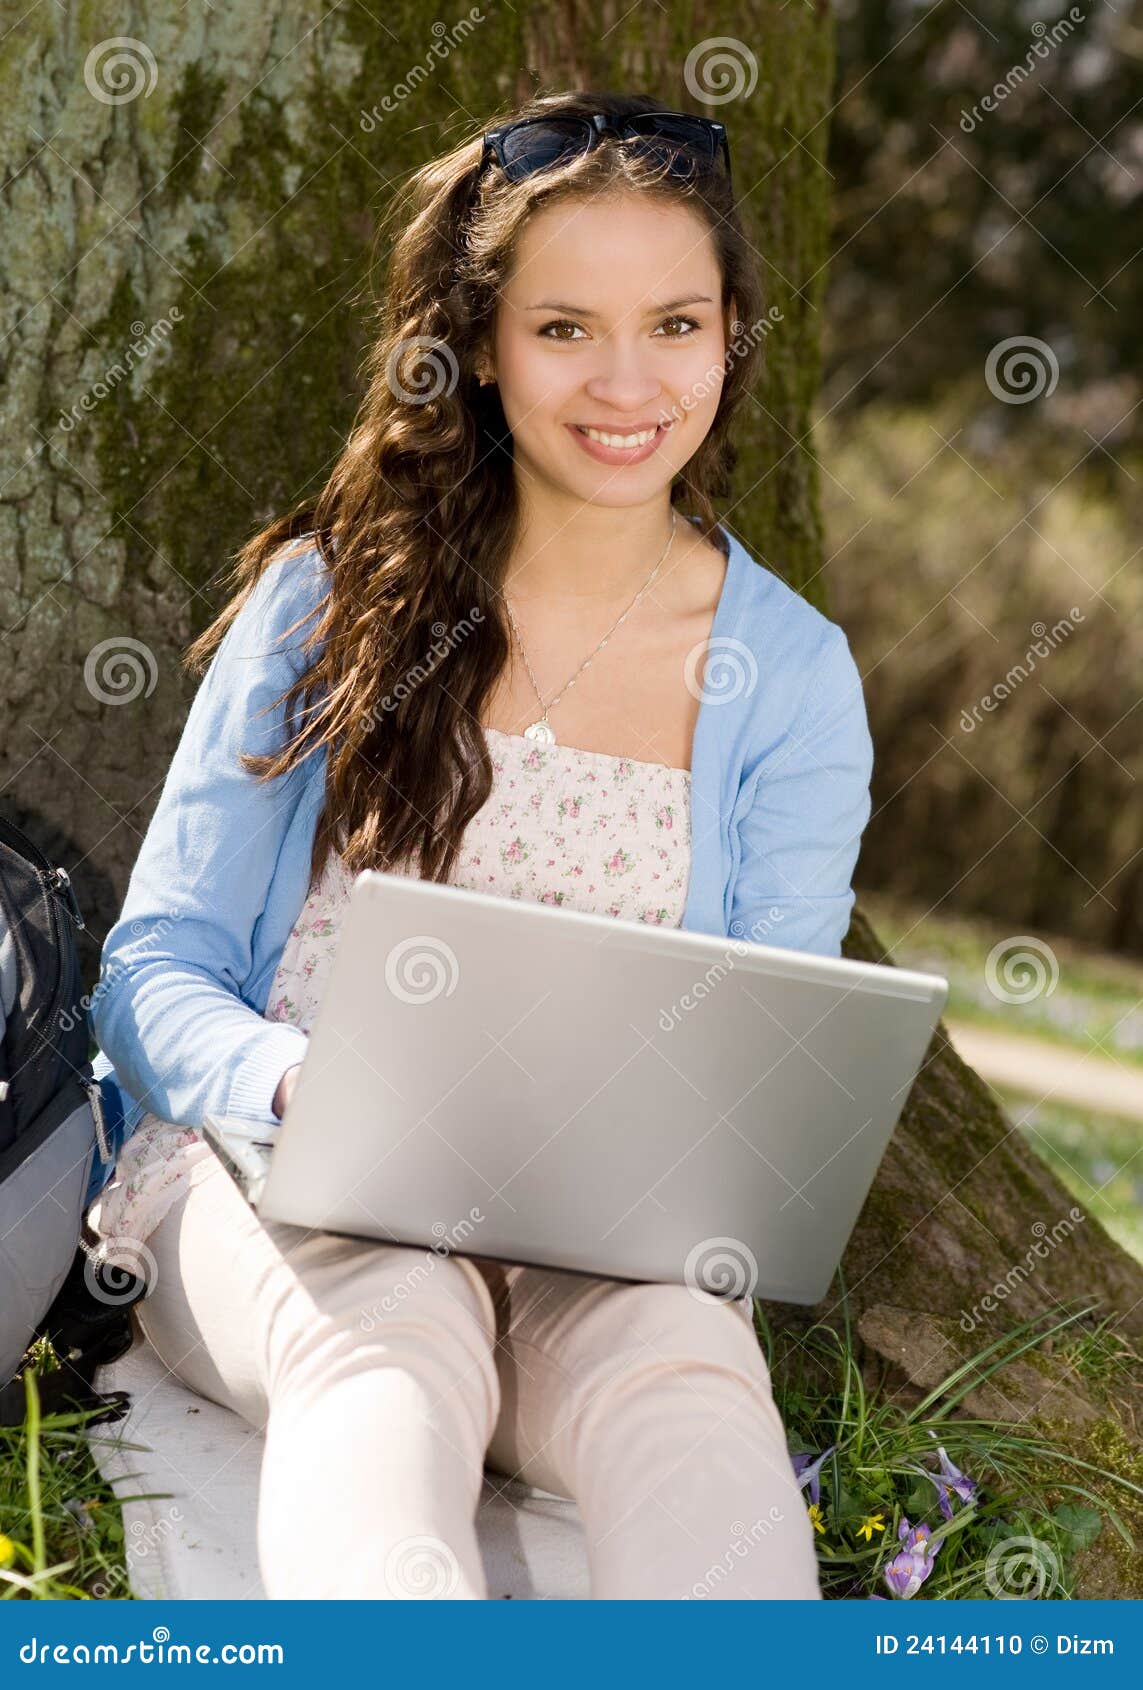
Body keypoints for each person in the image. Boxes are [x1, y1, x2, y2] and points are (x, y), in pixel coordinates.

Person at [84, 89, 874, 1600]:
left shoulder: (791, 674)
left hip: (605, 1239)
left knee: (694, 1379)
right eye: (564, 327)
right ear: (480, 341)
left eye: (677, 325)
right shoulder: (331, 604)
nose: (627, 380)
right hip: (284, 1189)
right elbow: (157, 965)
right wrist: (292, 1082)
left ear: (731, 337)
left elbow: (774, 1055)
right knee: (393, 1329)